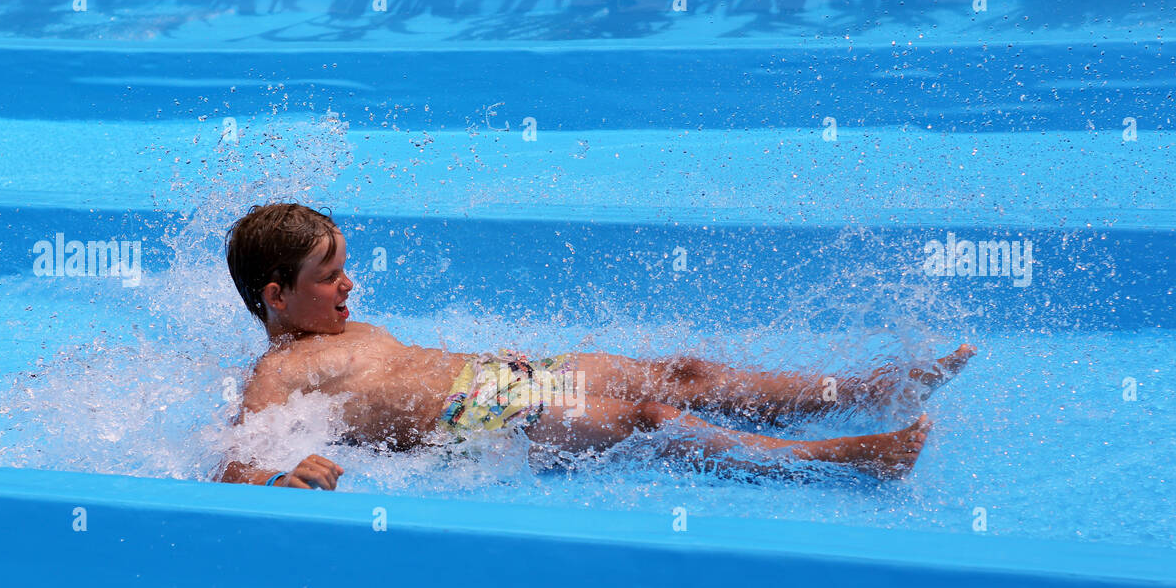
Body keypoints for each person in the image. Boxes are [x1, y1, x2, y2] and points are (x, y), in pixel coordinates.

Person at [215, 203, 974, 491]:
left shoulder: (348, 332)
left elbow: (405, 367)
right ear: (276, 295)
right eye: (330, 275)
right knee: (646, 412)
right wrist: (282, 480)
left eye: (345, 265)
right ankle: (845, 457)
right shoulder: (279, 371)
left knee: (687, 373)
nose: (350, 283)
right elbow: (231, 466)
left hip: (500, 380)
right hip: (474, 418)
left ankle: (860, 390)